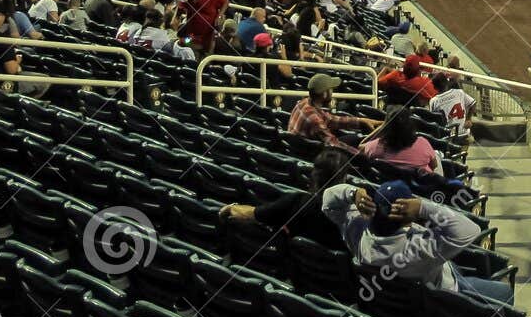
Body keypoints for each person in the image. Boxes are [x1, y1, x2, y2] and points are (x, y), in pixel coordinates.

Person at [320, 178, 513, 304]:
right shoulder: (417, 249)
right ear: (405, 213)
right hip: (444, 292)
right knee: (505, 293)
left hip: (398, 299)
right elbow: (470, 230)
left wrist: (353, 193)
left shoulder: (355, 228)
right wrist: (423, 207)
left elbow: (328, 200)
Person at [219, 147, 355, 249]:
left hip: (300, 277)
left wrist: (231, 208)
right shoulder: (353, 216)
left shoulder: (296, 202)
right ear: (343, 180)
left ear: (314, 176)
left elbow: (251, 214)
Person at [286, 72, 379, 148]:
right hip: (313, 155)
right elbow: (334, 145)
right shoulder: (314, 120)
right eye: (331, 90)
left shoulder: (303, 103)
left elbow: (330, 119)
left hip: (301, 148)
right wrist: (360, 153)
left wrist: (361, 121)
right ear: (324, 94)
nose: (332, 92)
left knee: (355, 138)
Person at [359, 106, 443, 176]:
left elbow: (360, 146)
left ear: (387, 127)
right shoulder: (422, 143)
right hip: (421, 190)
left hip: (390, 189)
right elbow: (434, 166)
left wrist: (383, 126)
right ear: (410, 125)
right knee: (437, 155)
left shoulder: (375, 146)